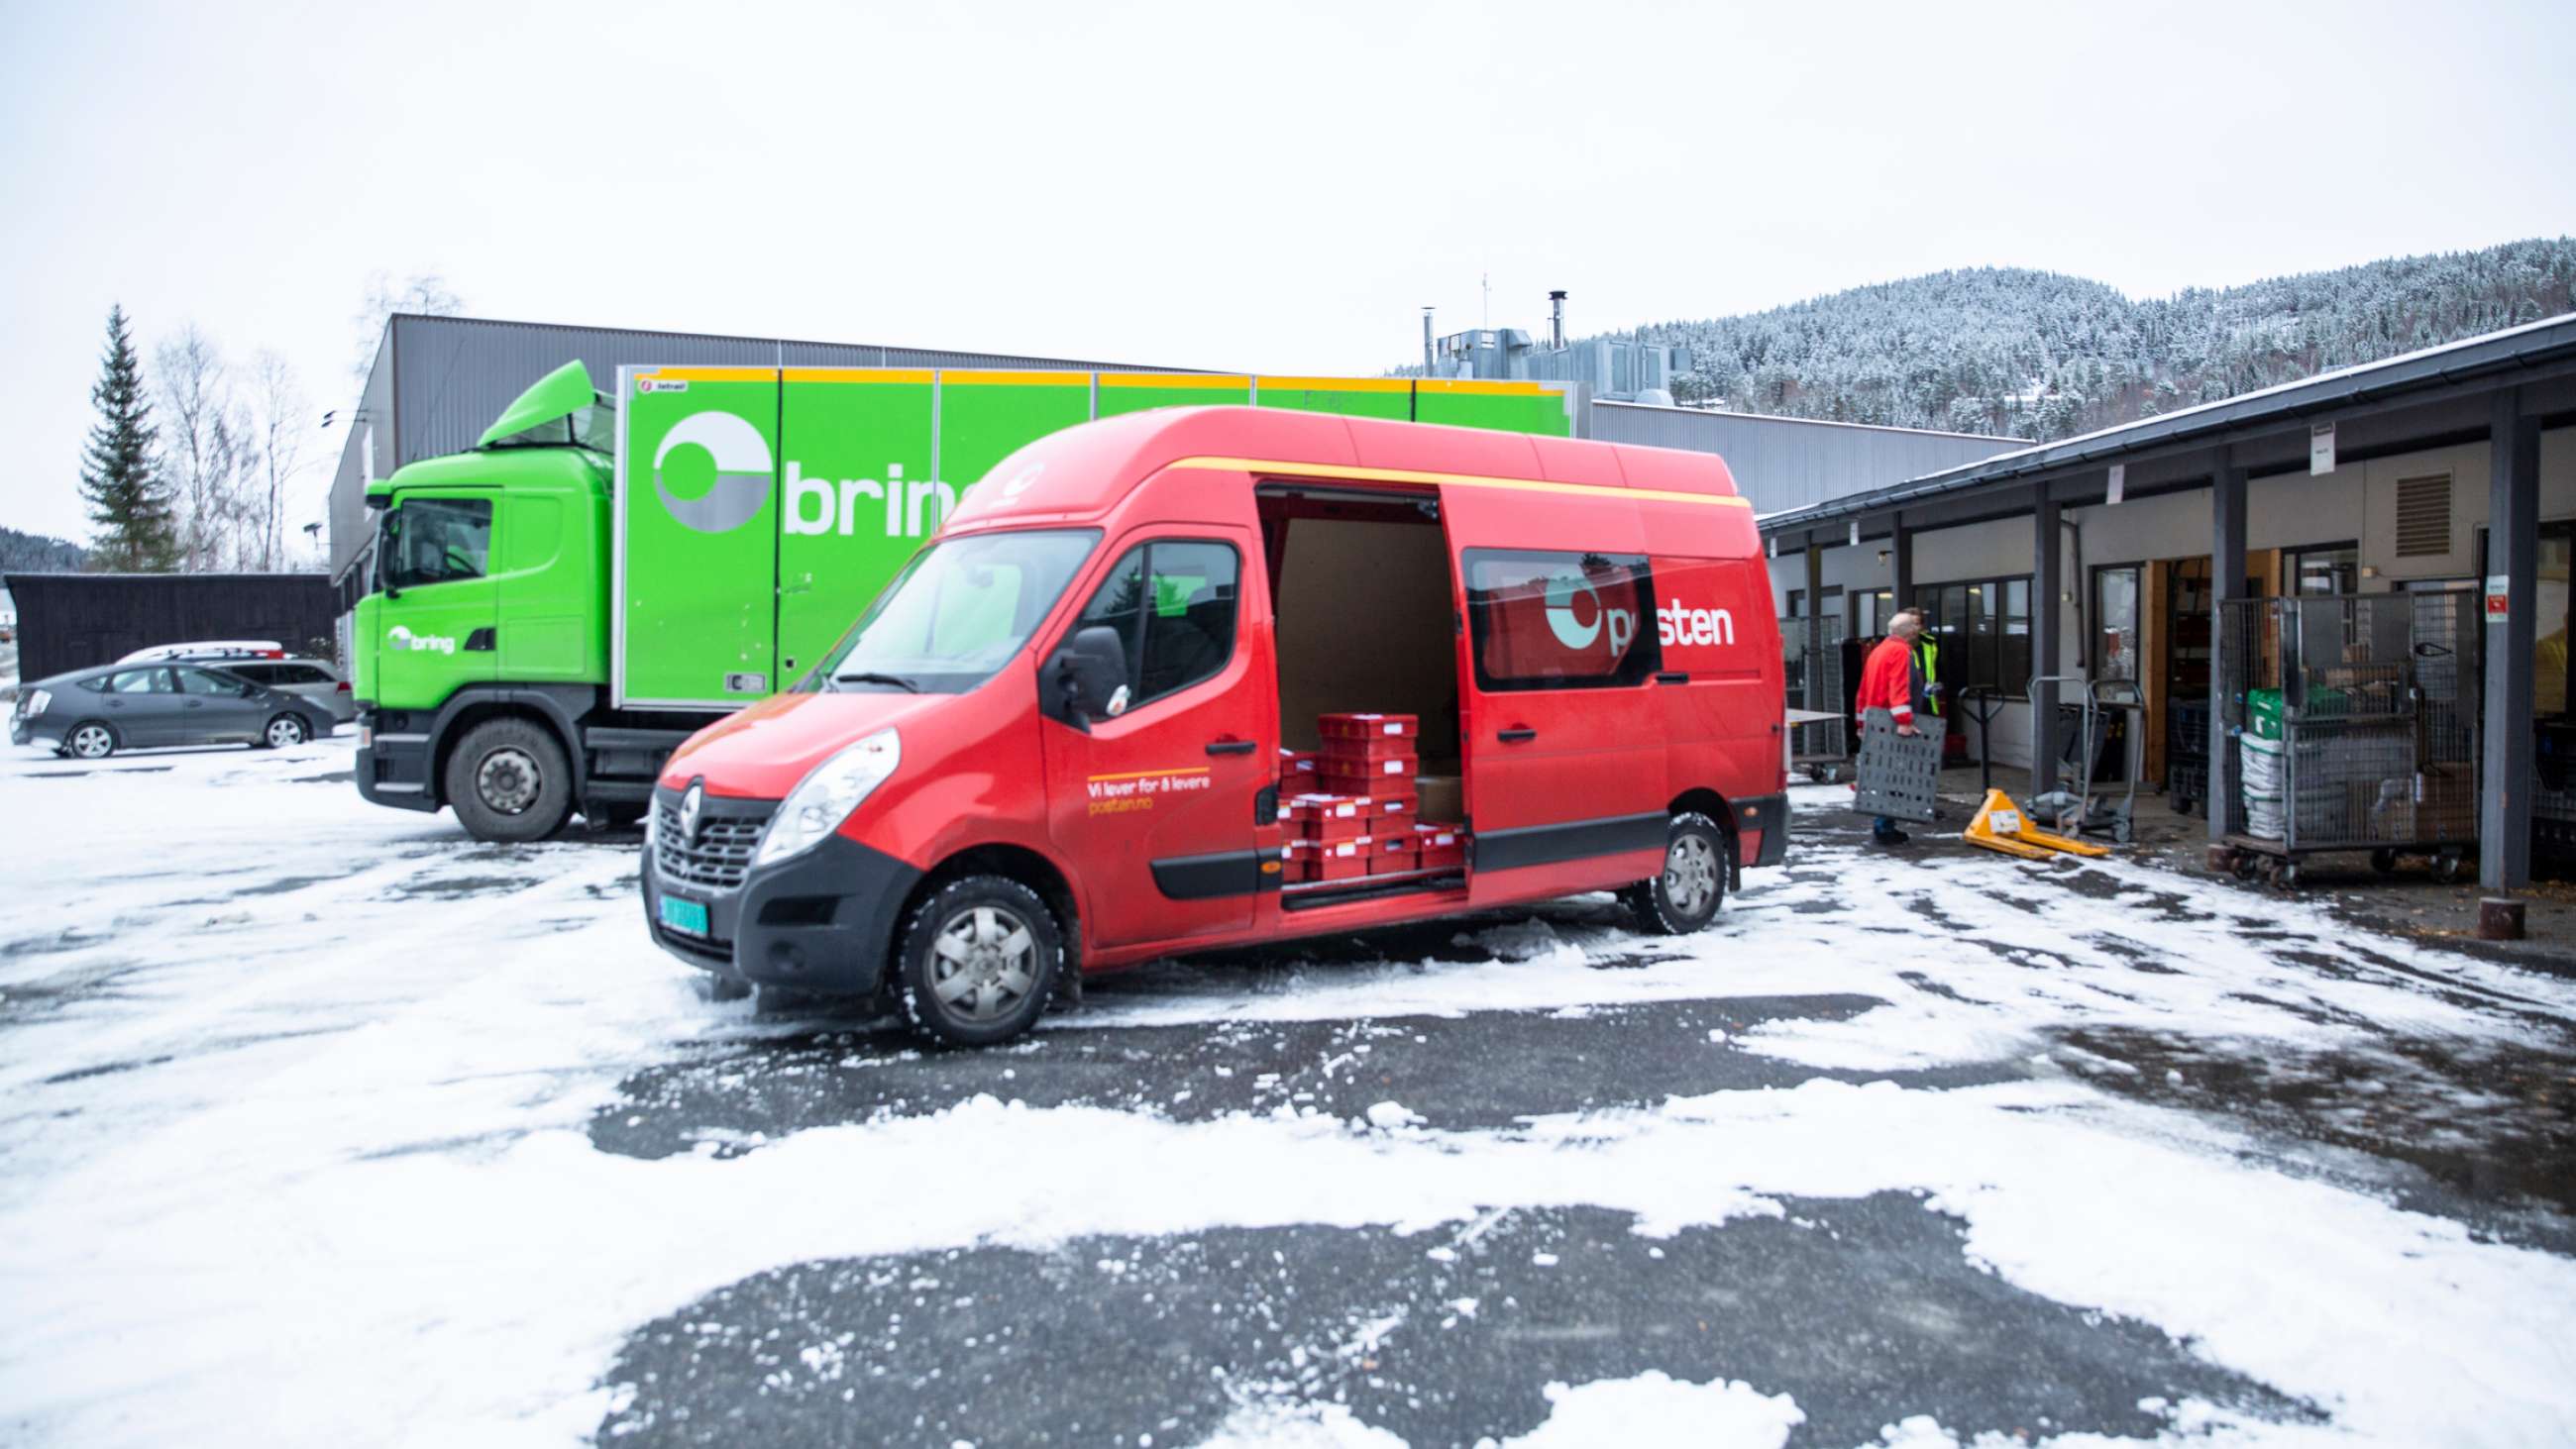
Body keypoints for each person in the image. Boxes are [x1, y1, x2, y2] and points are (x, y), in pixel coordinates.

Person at [1855, 610, 1923, 846]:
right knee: (1895, 776)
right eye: (1915, 628)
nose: (1917, 631)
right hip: (1891, 725)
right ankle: (1885, 827)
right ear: (1909, 632)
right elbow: (1899, 688)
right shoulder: (1900, 651)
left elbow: (1864, 690)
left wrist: (1861, 723)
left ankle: (1883, 825)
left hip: (1876, 723)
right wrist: (1904, 721)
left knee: (1883, 775)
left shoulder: (1878, 651)